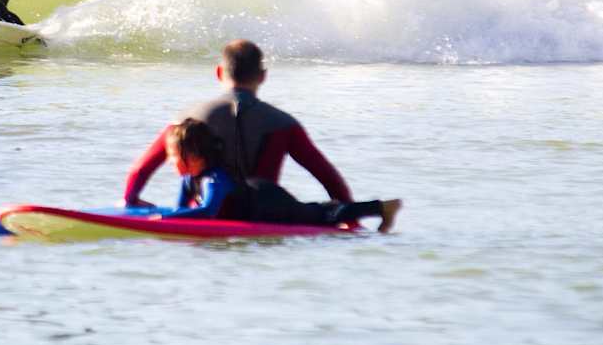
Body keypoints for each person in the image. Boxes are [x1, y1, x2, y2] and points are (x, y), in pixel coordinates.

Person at [123, 40, 358, 210]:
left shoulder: (186, 119)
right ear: (263, 76)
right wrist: (349, 216)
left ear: (218, 72)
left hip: (203, 216)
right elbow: (327, 176)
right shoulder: (283, 123)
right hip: (259, 215)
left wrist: (130, 200)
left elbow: (141, 169)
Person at [159, 118, 401, 230]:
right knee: (317, 210)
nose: (169, 161)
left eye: (173, 155)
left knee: (319, 215)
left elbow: (207, 211)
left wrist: (164, 220)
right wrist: (166, 218)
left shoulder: (215, 179)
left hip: (266, 201)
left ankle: (381, 207)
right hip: (255, 199)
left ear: (194, 156)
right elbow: (179, 209)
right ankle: (365, 208)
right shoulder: (188, 179)